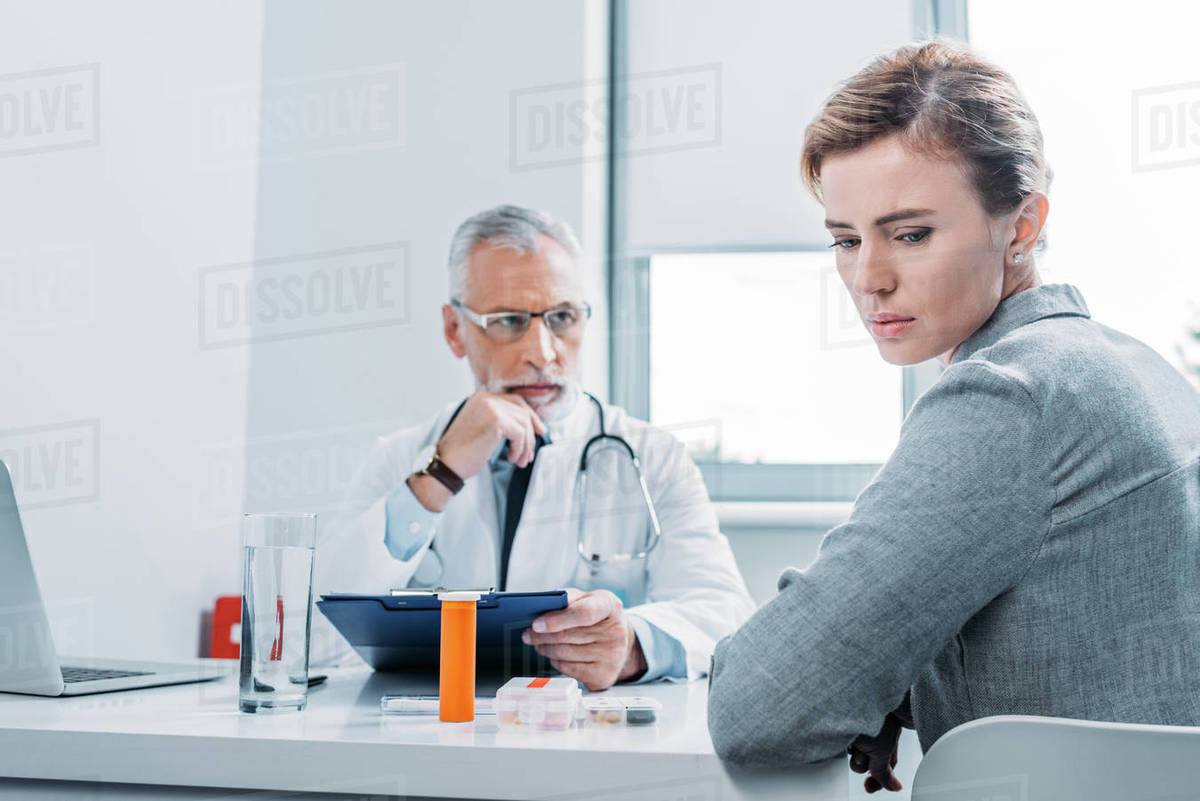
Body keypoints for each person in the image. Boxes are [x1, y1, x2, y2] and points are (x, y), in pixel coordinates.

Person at [707, 39, 1200, 792]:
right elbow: (1091, 636)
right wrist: (900, 688)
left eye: (911, 234)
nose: (868, 278)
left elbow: (757, 702)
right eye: (846, 239)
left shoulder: (1010, 396)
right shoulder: (1133, 365)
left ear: (1022, 226)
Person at [316, 204, 754, 691]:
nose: (543, 353)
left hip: (587, 742)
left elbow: (727, 616)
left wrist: (631, 643)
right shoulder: (402, 460)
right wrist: (441, 476)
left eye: (563, 317)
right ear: (454, 330)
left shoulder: (653, 458)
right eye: (507, 321)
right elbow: (318, 638)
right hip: (433, 738)